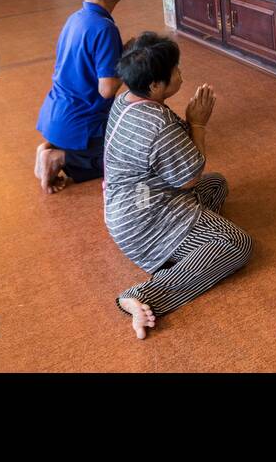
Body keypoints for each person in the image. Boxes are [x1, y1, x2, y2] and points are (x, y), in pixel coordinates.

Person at [105, 33, 252, 338]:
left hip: (128, 209)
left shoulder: (126, 100)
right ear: (155, 86)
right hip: (146, 222)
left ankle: (181, 251)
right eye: (175, 70)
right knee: (237, 244)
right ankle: (144, 295)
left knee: (218, 185)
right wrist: (197, 123)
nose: (181, 74)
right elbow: (189, 178)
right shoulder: (157, 123)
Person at [34, 0, 128, 193]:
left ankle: (49, 146)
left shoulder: (76, 19)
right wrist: (132, 64)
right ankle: (62, 157)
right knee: (132, 157)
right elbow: (106, 89)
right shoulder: (104, 28)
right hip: (81, 121)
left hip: (56, 115)